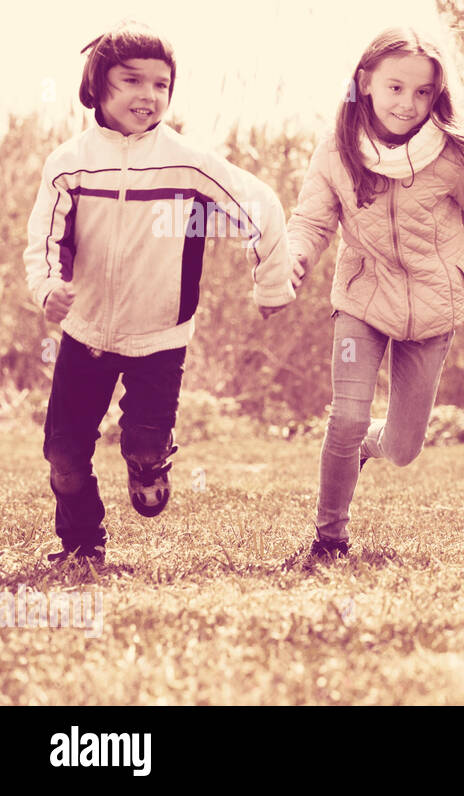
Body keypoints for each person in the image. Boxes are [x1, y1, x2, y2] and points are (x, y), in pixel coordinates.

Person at [23, 20, 296, 564]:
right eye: (131, 81)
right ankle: (82, 544)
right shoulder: (69, 164)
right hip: (86, 334)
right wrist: (48, 286)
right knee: (63, 457)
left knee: (143, 445)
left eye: (161, 85)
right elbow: (44, 240)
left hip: (160, 337)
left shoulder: (187, 162)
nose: (148, 96)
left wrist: (271, 283)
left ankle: (148, 459)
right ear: (98, 84)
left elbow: (259, 205)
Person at [288, 26, 464, 559]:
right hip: (362, 301)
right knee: (345, 417)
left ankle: (371, 446)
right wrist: (296, 257)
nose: (408, 103)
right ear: (365, 82)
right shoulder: (337, 151)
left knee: (403, 448)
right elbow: (311, 222)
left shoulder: (452, 154)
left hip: (432, 310)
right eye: (395, 88)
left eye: (422, 92)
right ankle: (330, 536)